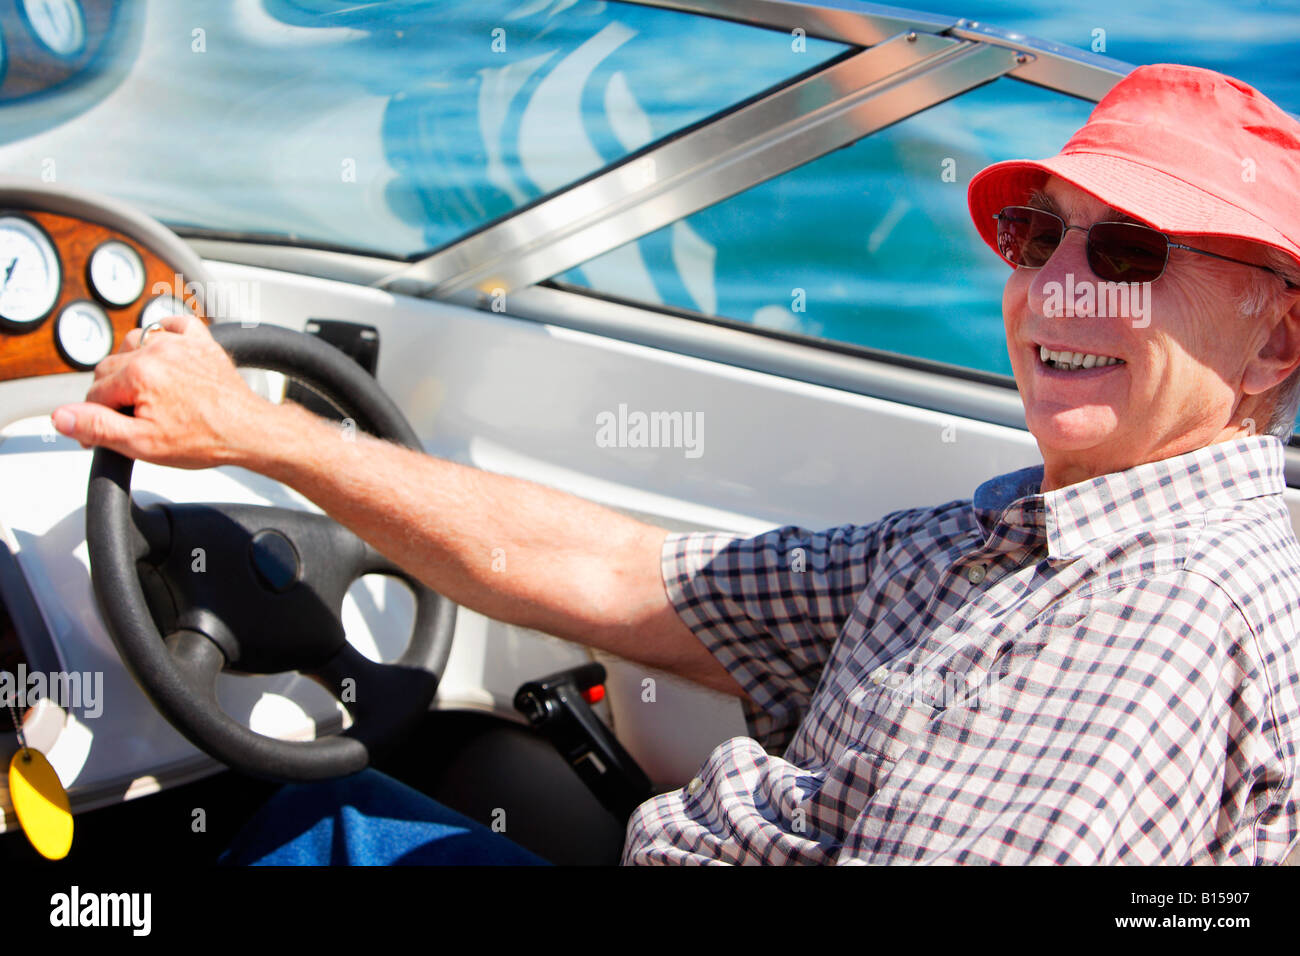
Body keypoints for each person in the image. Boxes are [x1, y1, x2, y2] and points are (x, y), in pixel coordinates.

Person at [52, 63, 1300, 864]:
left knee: (291, 839)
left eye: (1130, 253)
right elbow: (625, 576)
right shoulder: (1011, 534)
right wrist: (261, 431)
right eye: (1037, 238)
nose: (1052, 291)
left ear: (1275, 340)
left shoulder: (1153, 603)